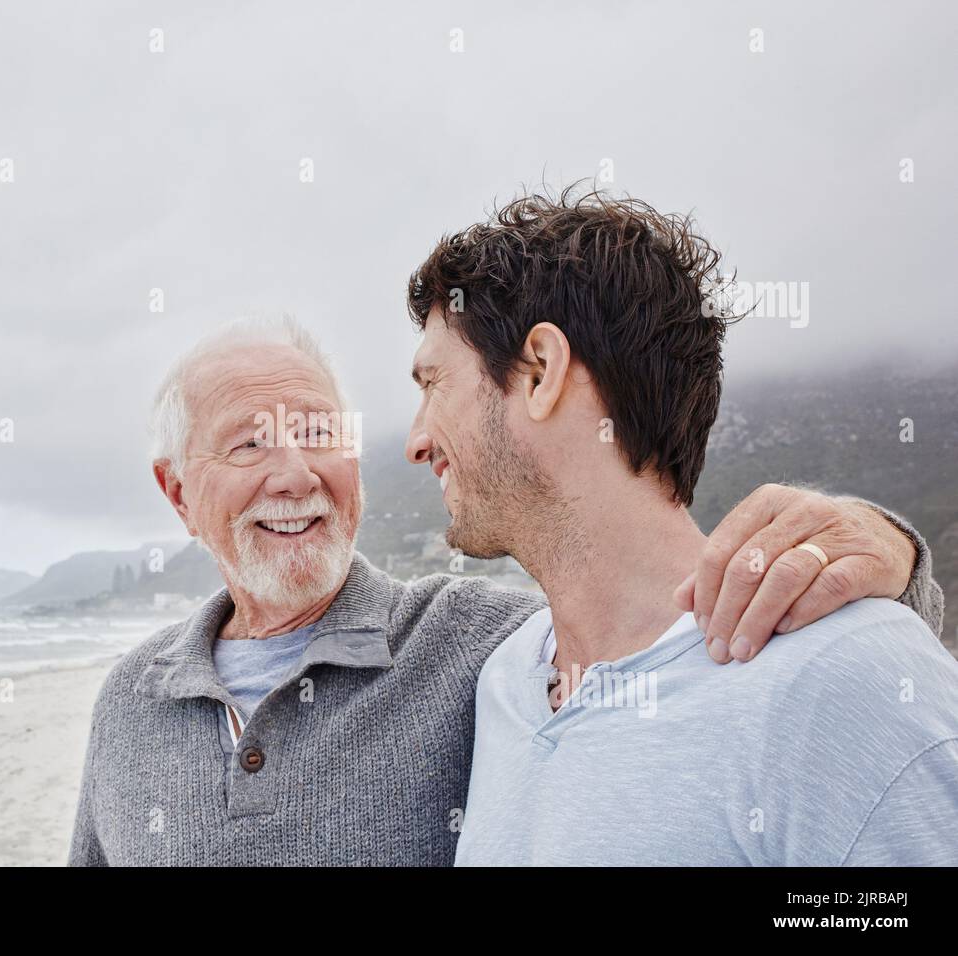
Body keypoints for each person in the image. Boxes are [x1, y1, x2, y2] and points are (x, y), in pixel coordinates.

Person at [68, 313, 941, 866]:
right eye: (249, 445)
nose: (296, 472)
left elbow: (679, 625)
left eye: (318, 433)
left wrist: (891, 553)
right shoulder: (129, 705)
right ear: (177, 492)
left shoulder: (484, 646)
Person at [393, 187, 957, 865]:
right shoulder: (505, 683)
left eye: (433, 384)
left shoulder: (845, 677)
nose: (417, 441)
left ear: (541, 372)